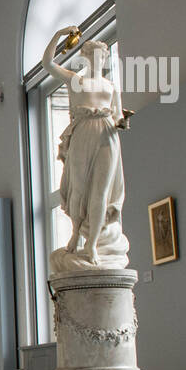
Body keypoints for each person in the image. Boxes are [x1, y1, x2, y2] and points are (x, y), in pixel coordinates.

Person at [42, 26, 131, 271]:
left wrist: (123, 122)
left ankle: (92, 243)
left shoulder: (111, 87)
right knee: (79, 187)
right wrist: (58, 34)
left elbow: (117, 114)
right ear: (85, 58)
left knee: (101, 190)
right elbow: (47, 64)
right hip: (82, 133)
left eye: (101, 56)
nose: (98, 60)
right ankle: (75, 233)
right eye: (92, 56)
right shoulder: (76, 80)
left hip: (107, 134)